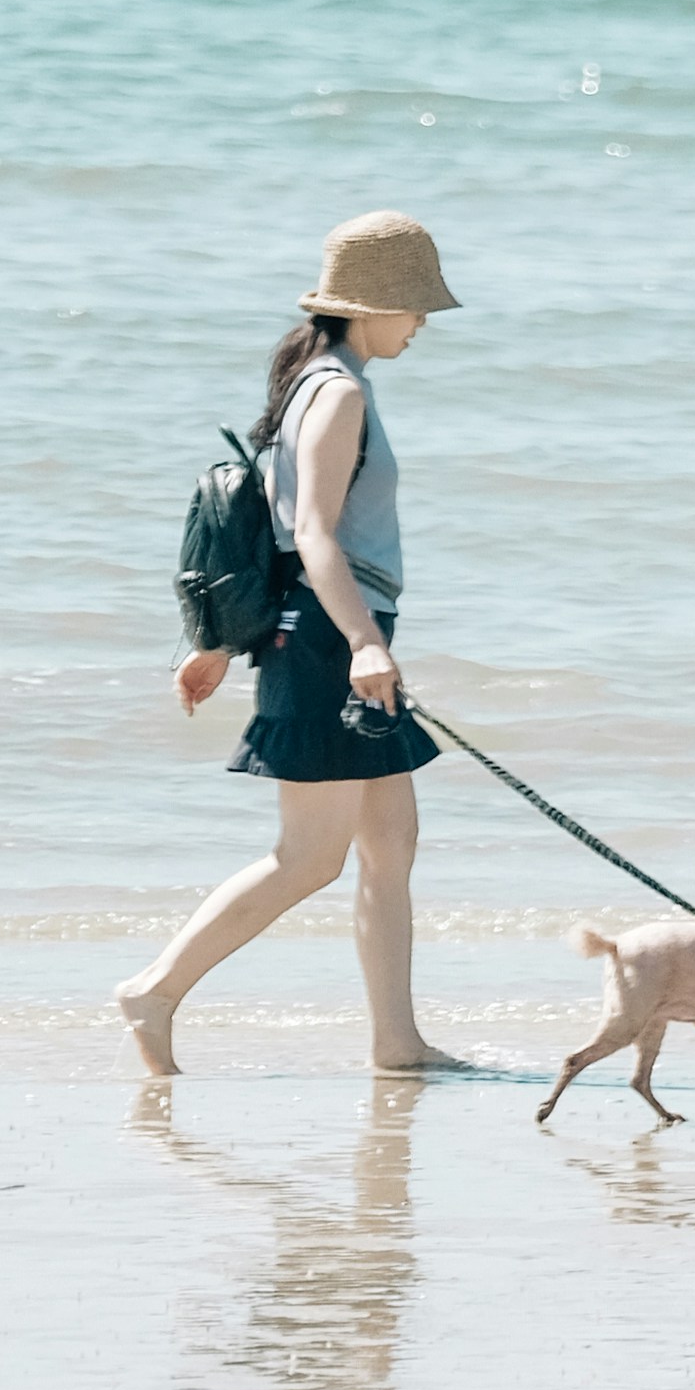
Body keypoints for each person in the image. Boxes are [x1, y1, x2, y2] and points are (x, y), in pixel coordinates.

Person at [117, 213, 465, 1080]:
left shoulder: (320, 379)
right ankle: (154, 991)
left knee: (392, 845)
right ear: (370, 307)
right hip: (331, 633)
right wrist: (361, 645)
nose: (420, 323)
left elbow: (273, 537)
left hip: (331, 630)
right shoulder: (337, 390)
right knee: (310, 857)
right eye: (413, 307)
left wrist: (226, 649)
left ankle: (398, 1045)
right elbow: (310, 535)